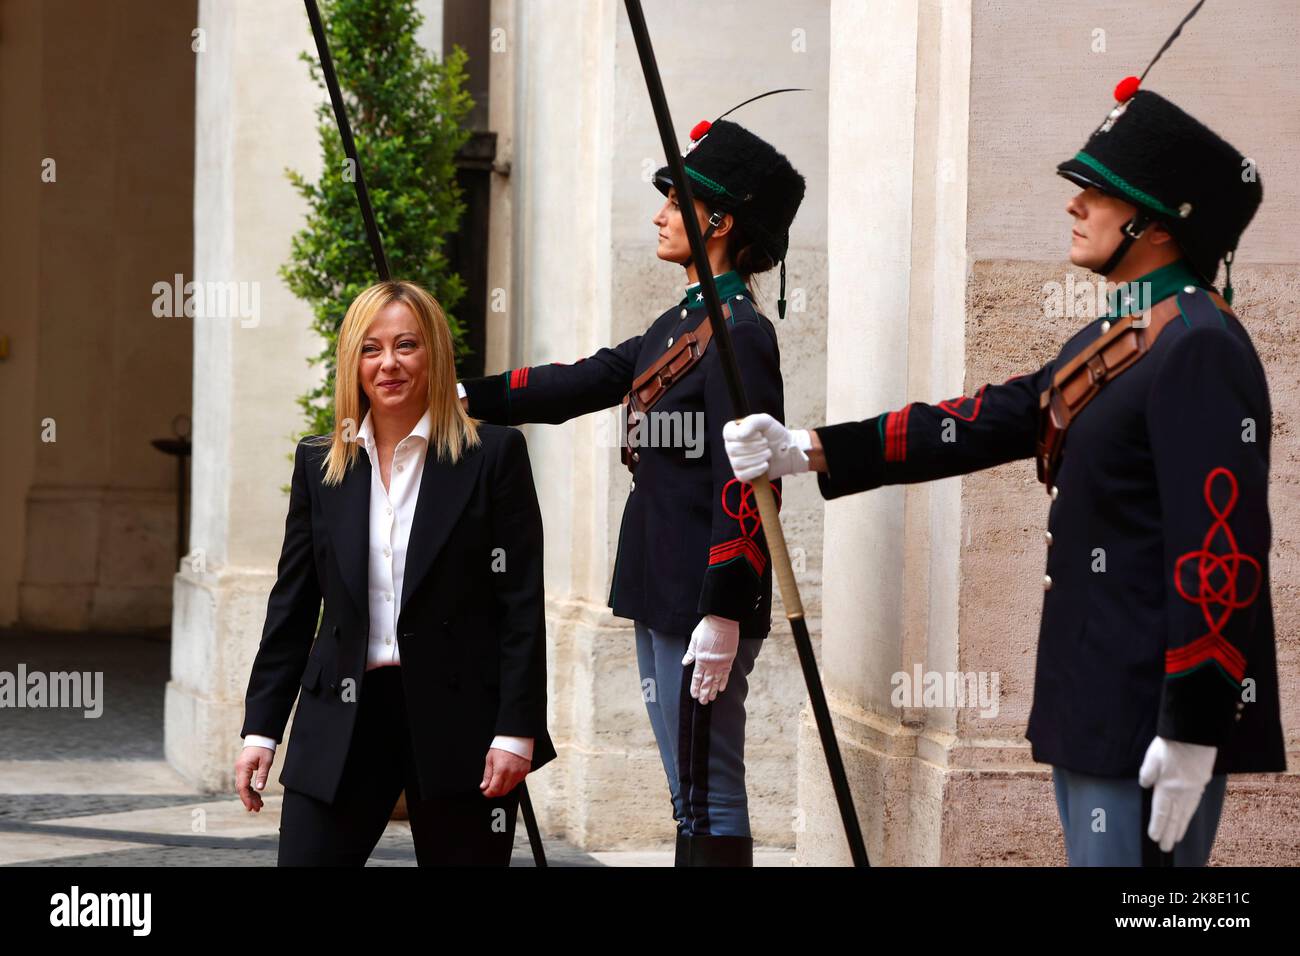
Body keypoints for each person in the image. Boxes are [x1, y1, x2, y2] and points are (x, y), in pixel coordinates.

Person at [724, 81, 1285, 866]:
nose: (1074, 206)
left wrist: (1194, 723)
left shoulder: (1198, 346)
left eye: (1097, 192)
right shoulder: (1123, 333)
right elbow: (988, 419)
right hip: (1095, 701)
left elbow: (1222, 549)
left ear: (1155, 222)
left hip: (1148, 712)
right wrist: (810, 446)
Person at [457, 115, 804, 865]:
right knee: (686, 788)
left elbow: (746, 482)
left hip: (698, 590)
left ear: (719, 221)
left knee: (707, 787)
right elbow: (576, 382)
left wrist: (723, 610)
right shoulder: (677, 322)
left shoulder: (741, 332)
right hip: (656, 576)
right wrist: (461, 395)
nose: (659, 214)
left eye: (674, 201)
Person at [234, 279, 556, 866]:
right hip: (341, 716)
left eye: (406, 345)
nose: (388, 364)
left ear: (435, 354)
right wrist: (261, 729)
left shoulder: (494, 457)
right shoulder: (319, 463)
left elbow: (521, 608)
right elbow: (293, 604)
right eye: (370, 348)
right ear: (351, 361)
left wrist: (517, 731)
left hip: (459, 720)